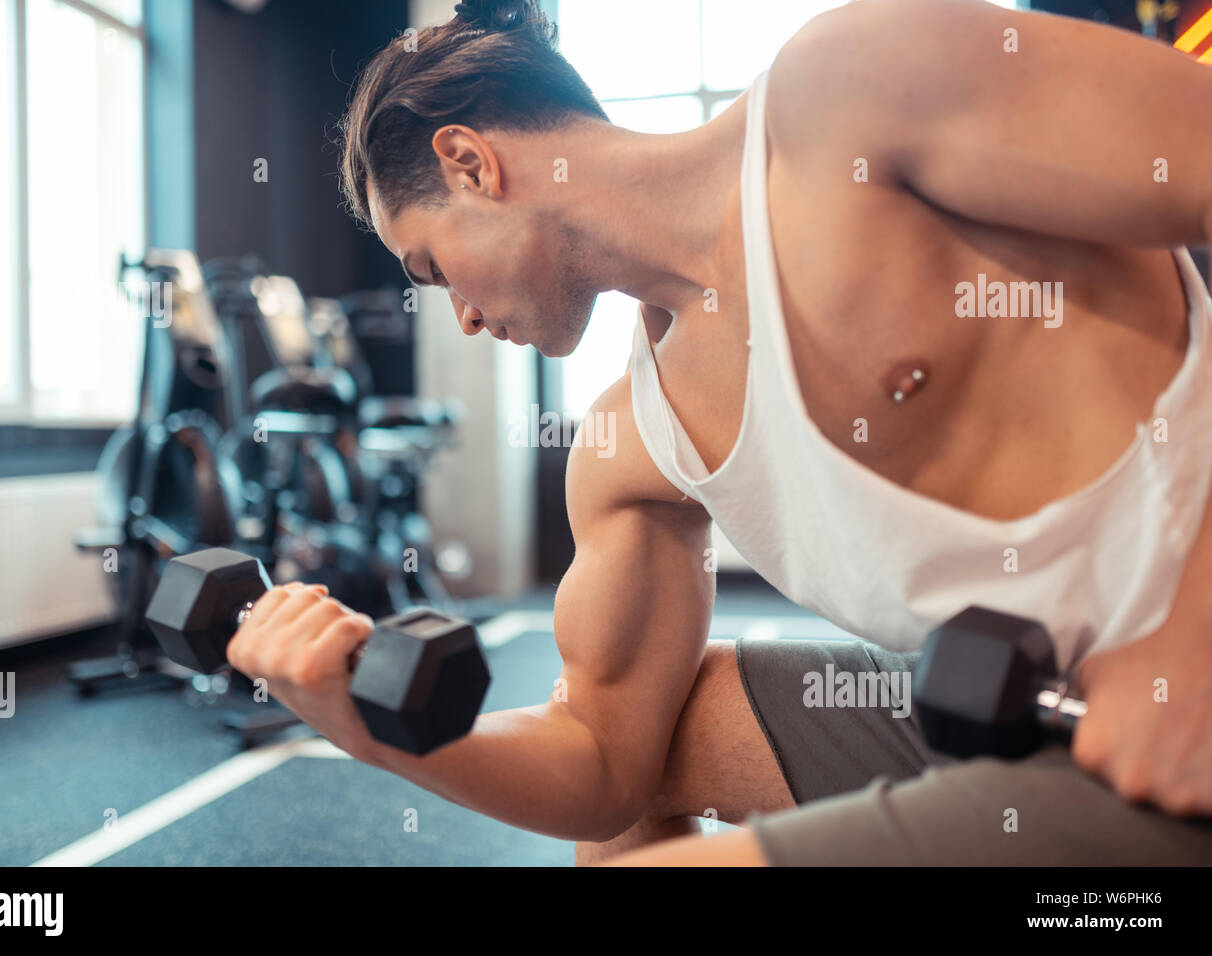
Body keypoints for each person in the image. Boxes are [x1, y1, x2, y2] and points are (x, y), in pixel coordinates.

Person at [225, 0, 1212, 864]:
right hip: (1040, 717)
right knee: (665, 728)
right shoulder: (628, 448)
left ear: (471, 162)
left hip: (1183, 707)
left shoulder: (847, 98)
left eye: (433, 270)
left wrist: (1190, 635)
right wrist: (366, 727)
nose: (465, 320)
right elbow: (602, 764)